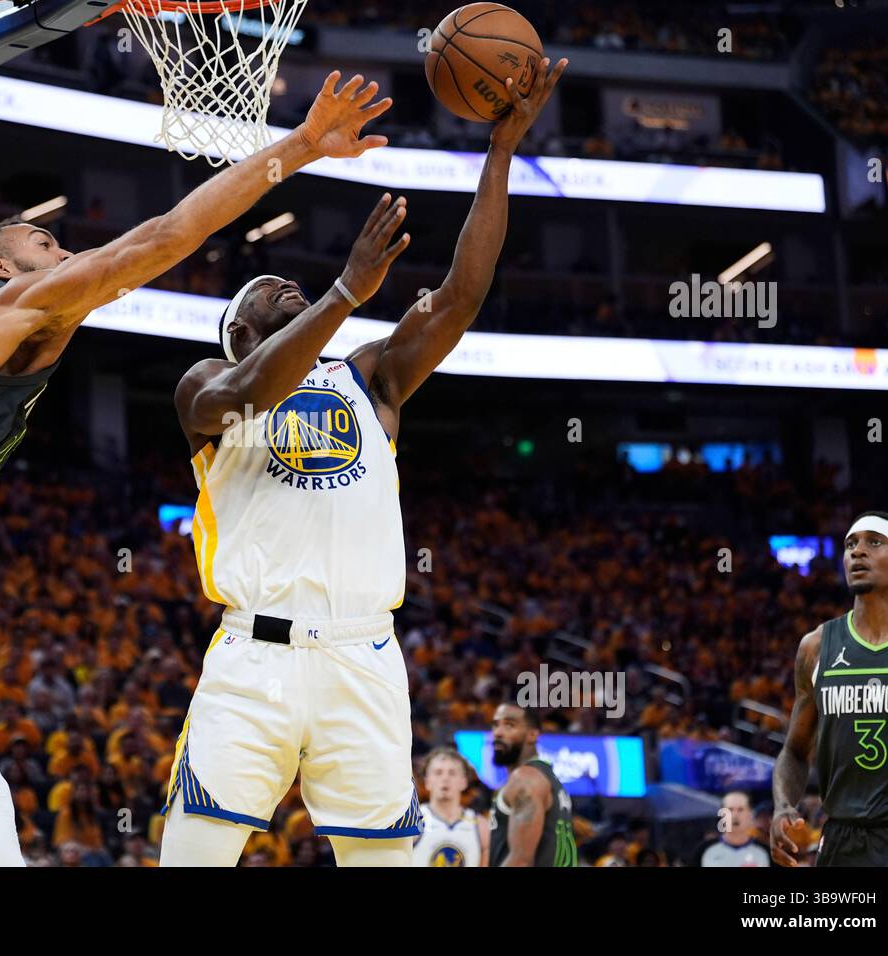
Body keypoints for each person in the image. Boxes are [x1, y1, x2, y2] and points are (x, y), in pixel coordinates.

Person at [0, 70, 394, 867]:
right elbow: (162, 238)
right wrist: (300, 146)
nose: (65, 255)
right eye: (45, 246)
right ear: (1, 271)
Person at [164, 59, 568, 867]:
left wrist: (500, 152)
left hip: (364, 655)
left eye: (294, 285)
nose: (287, 285)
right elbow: (252, 386)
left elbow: (460, 298)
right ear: (237, 329)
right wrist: (343, 293)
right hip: (254, 659)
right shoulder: (209, 383)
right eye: (268, 290)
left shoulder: (367, 375)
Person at [772, 511, 888, 866]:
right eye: (850, 544)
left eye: (874, 542)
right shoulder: (815, 646)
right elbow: (794, 751)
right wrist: (783, 806)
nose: (858, 551)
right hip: (844, 838)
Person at [488, 703, 578, 867]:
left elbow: (521, 861)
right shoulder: (547, 778)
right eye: (495, 725)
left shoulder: (525, 779)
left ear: (532, 735)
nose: (498, 733)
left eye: (509, 725)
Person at [412, 746, 488, 866]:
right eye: (438, 772)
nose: (445, 778)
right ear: (427, 781)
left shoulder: (481, 826)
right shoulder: (413, 822)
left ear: (464, 782)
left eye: (452, 773)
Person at [694, 790, 770, 866]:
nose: (735, 815)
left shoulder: (765, 852)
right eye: (730, 809)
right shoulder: (704, 850)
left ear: (750, 814)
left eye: (740, 810)